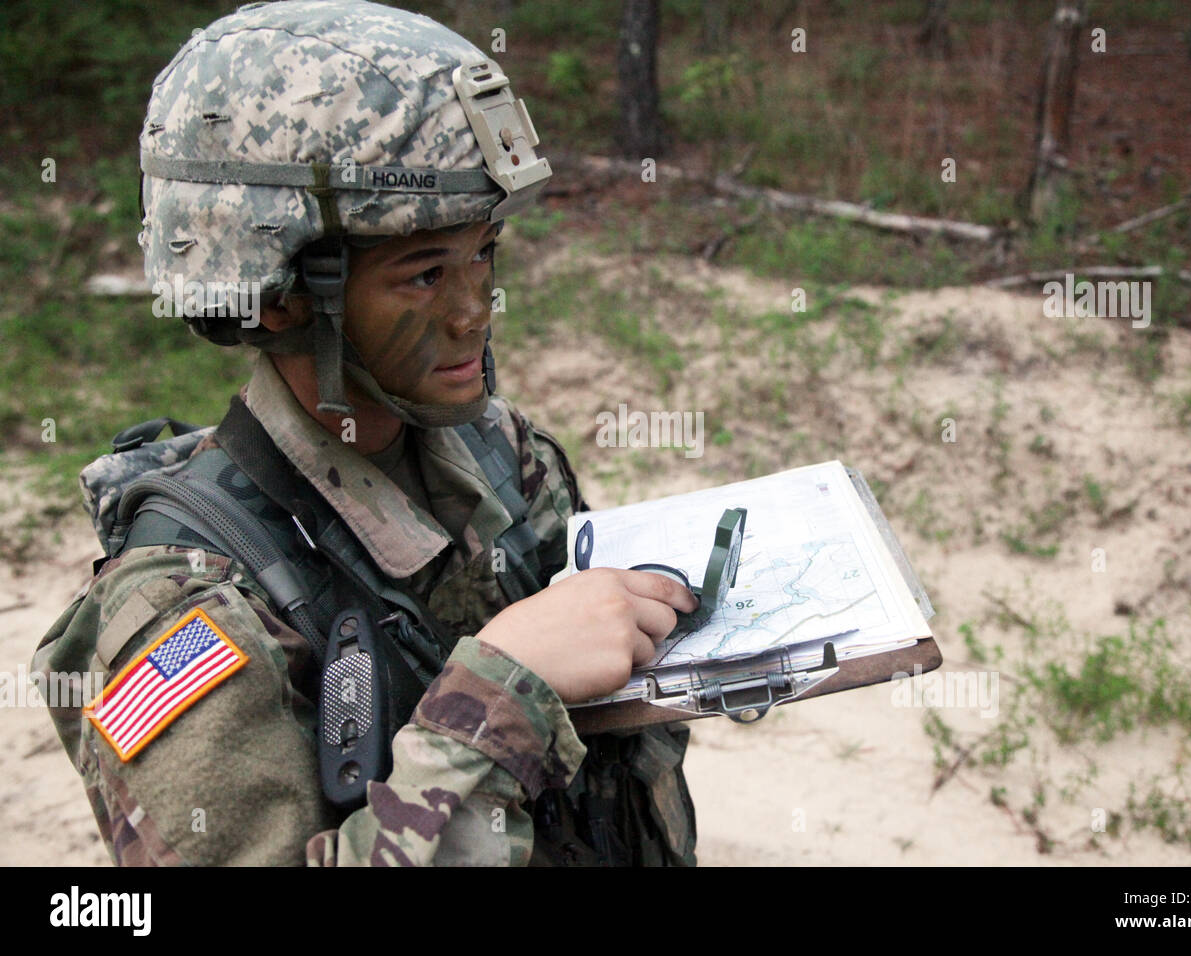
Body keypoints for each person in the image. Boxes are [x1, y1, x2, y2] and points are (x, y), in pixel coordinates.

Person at [31, 0, 698, 866]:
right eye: (423, 274)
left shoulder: (504, 458)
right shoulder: (177, 619)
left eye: (485, 254)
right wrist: (498, 698)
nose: (474, 313)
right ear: (275, 294)